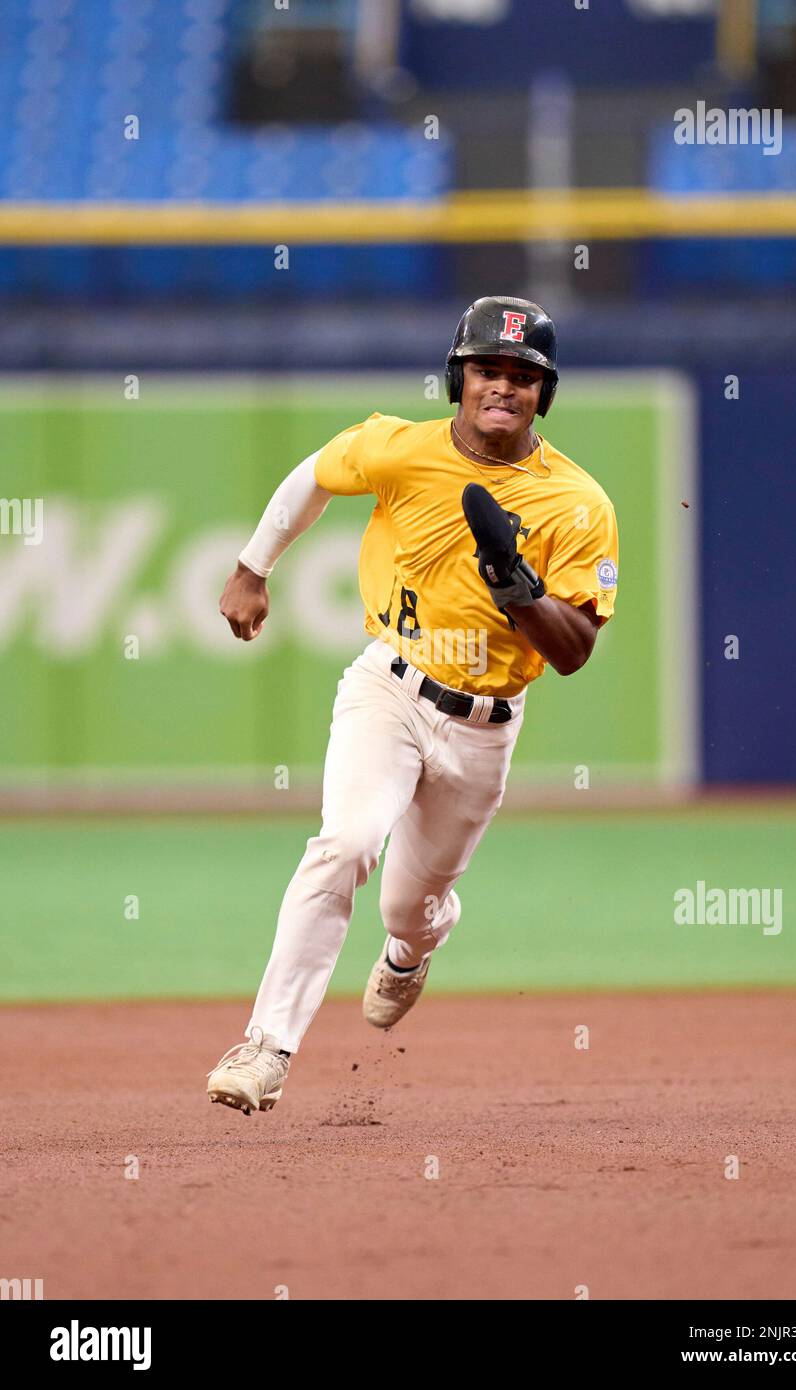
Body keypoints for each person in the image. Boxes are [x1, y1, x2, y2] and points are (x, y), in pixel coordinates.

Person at [206, 295, 619, 1115]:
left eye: (521, 376)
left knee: (410, 906)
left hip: (484, 730)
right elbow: (317, 473)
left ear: (545, 393)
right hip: (388, 688)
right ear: (456, 378)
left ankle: (412, 948)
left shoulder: (580, 504)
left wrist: (519, 590)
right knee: (346, 841)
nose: (502, 388)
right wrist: (253, 567)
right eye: (486, 371)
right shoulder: (399, 448)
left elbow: (572, 652)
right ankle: (266, 1049)